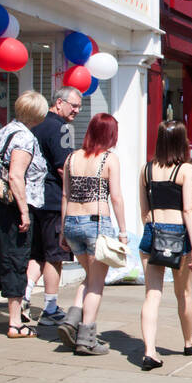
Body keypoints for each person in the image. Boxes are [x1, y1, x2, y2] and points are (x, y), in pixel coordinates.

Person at [0, 91, 50, 338]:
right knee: (15, 260)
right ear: (39, 114)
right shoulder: (25, 138)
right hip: (10, 207)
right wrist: (24, 212)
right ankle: (15, 322)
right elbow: (16, 176)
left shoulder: (3, 131)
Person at [58, 113, 128, 354]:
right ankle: (87, 338)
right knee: (97, 283)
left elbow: (65, 195)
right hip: (97, 223)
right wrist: (123, 230)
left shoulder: (71, 158)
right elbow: (116, 197)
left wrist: (62, 230)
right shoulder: (109, 159)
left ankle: (71, 320)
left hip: (72, 223)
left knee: (89, 277)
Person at [138, 120, 192, 371]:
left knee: (152, 294)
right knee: (183, 292)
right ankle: (188, 340)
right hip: (178, 234)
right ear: (181, 142)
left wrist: (154, 228)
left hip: (152, 232)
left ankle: (149, 351)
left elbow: (144, 211)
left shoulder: (146, 170)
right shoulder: (186, 169)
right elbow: (189, 209)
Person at [25, 87, 81, 327]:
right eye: (74, 106)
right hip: (53, 200)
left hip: (33, 198)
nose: (77, 111)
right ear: (59, 103)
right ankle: (49, 307)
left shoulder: (35, 124)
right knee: (54, 255)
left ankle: (24, 296)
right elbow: (63, 166)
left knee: (36, 253)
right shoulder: (61, 128)